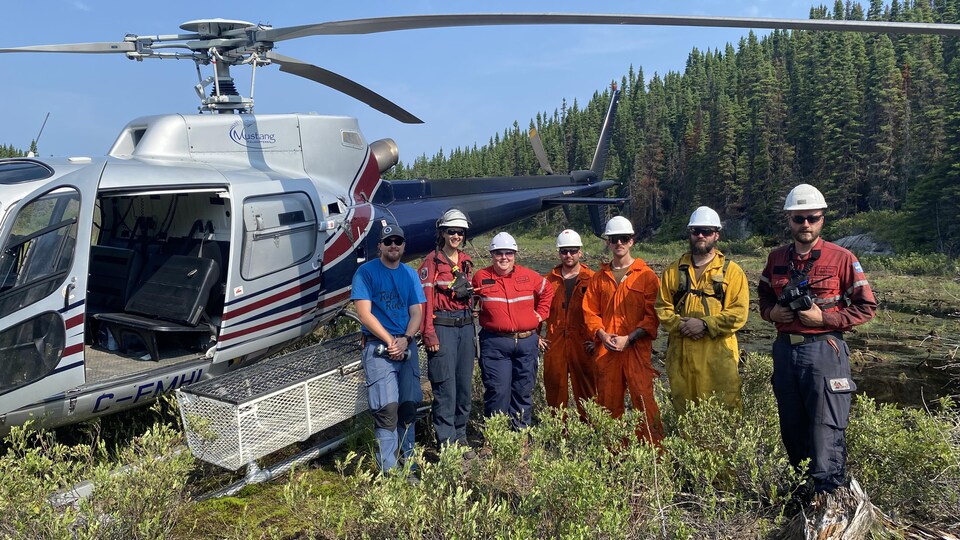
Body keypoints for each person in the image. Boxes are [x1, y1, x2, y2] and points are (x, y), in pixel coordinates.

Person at [758, 184, 877, 495]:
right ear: (789, 220)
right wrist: (772, 314)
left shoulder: (842, 258)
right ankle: (802, 496)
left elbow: (866, 306)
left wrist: (825, 319)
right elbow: (763, 295)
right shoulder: (776, 259)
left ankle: (830, 497)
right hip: (785, 352)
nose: (805, 225)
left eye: (812, 218)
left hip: (824, 351)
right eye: (799, 219)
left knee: (826, 429)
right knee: (792, 427)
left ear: (822, 218)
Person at [655, 206, 749, 414]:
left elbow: (739, 313)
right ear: (689, 233)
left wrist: (705, 324)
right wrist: (681, 325)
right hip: (681, 359)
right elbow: (662, 308)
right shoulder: (672, 271)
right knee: (684, 417)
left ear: (716, 235)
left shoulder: (732, 272)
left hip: (718, 359)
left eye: (706, 231)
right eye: (695, 231)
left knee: (723, 416)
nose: (700, 236)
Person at [351, 223, 426, 473]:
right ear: (379, 246)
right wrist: (389, 340)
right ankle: (389, 470)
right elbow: (364, 313)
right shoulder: (366, 273)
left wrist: (405, 338)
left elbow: (417, 311)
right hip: (378, 348)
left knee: (408, 404)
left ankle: (410, 462)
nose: (393, 245)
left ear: (404, 246)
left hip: (405, 345)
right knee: (386, 408)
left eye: (398, 241)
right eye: (388, 242)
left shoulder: (410, 274)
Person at [582, 216, 663, 443]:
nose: (619, 243)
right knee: (607, 404)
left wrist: (630, 338)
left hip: (636, 350)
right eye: (614, 239)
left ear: (632, 241)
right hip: (607, 351)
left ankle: (653, 456)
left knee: (644, 402)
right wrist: (602, 334)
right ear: (608, 242)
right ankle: (612, 458)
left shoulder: (646, 276)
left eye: (624, 238)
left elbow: (652, 316)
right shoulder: (599, 279)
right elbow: (590, 313)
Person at [472, 231, 554, 430]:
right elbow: (470, 302)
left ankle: (520, 436)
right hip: (495, 344)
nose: (504, 257)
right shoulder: (481, 277)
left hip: (526, 343)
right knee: (497, 391)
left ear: (515, 255)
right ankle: (495, 437)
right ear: (492, 254)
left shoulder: (528, 276)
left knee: (523, 390)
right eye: (499, 253)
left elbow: (547, 290)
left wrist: (539, 315)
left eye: (508, 253)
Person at [417, 209, 477, 455]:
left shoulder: (465, 261)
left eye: (460, 232)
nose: (456, 236)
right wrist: (428, 334)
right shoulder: (431, 262)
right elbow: (425, 301)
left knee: (464, 387)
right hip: (442, 328)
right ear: (442, 232)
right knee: (445, 388)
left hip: (465, 327)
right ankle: (448, 444)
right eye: (451, 231)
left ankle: (461, 439)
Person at [540, 229, 596, 419]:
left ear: (580, 252)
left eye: (573, 250)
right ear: (559, 253)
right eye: (564, 251)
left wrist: (598, 339)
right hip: (555, 343)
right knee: (554, 388)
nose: (568, 255)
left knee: (588, 389)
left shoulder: (593, 279)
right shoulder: (548, 280)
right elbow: (537, 310)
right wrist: (536, 335)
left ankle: (591, 431)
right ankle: (558, 432)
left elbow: (602, 312)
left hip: (584, 344)